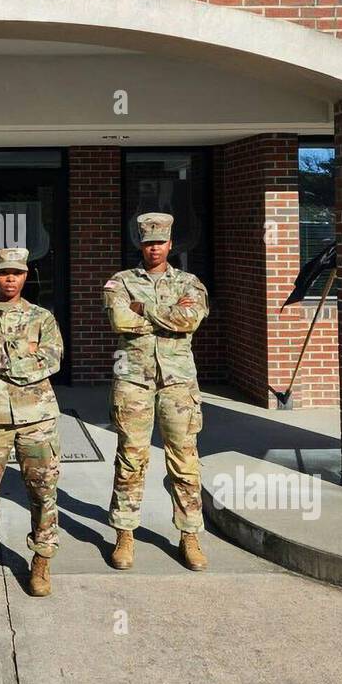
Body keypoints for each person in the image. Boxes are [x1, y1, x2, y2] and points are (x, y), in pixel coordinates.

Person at [103, 212, 211, 572]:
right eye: (148, 243)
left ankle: (190, 534)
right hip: (133, 380)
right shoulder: (120, 281)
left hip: (178, 383)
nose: (154, 248)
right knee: (131, 459)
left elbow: (191, 319)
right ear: (141, 244)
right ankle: (125, 532)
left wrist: (145, 308)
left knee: (184, 461)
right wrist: (168, 314)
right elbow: (120, 321)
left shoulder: (189, 282)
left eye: (160, 242)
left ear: (169, 244)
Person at [0, 247, 64, 599]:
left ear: (25, 275)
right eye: (4, 272)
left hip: (38, 418)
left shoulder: (42, 318)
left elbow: (52, 359)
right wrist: (22, 354)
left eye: (17, 273)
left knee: (43, 494)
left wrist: (0, 356)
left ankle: (41, 563)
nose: (10, 278)